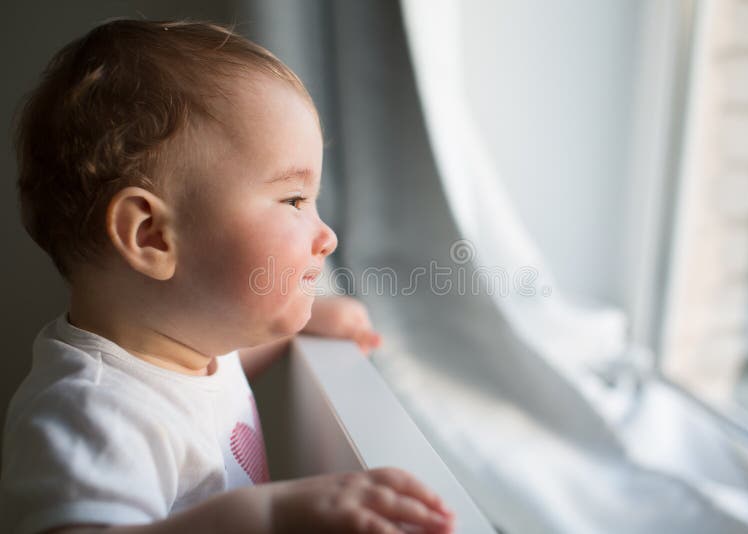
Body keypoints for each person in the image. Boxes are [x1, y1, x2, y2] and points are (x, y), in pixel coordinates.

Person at [1, 19, 455, 534]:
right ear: (152, 236)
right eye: (294, 200)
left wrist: (303, 321)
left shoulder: (184, 351)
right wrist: (263, 515)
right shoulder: (92, 414)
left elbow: (223, 372)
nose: (326, 235)